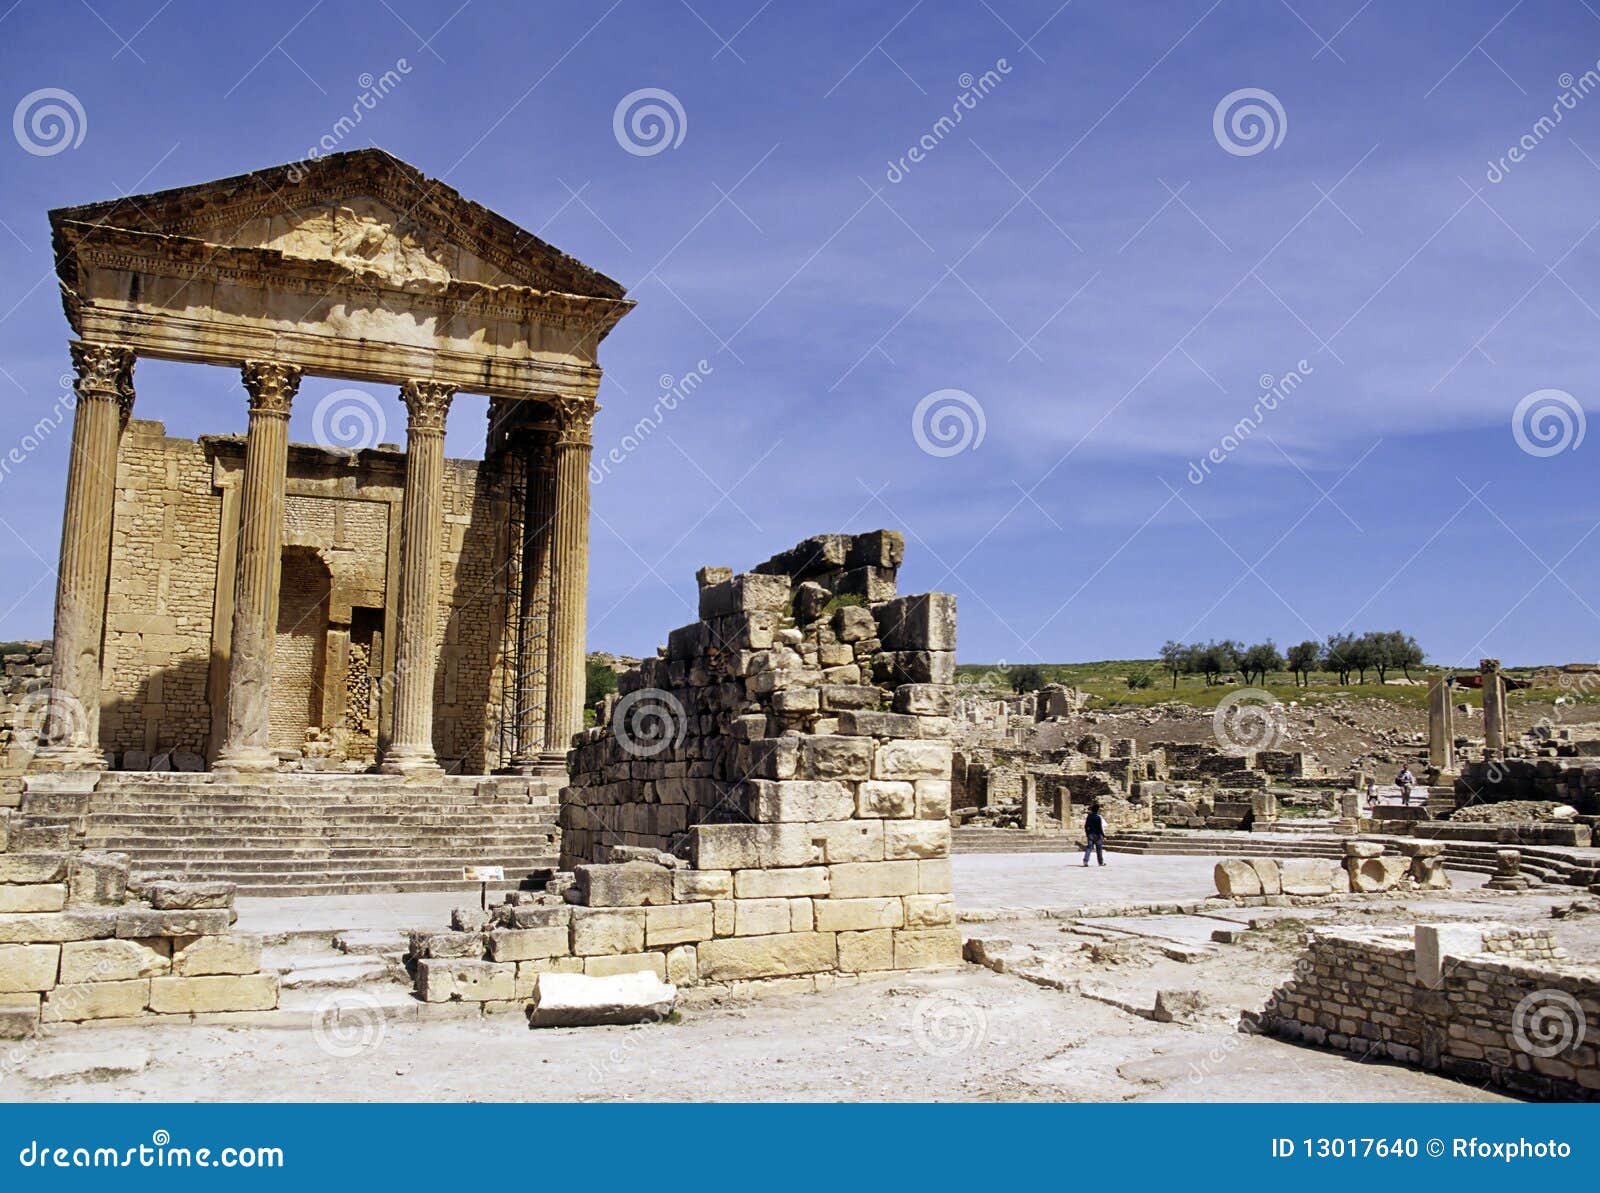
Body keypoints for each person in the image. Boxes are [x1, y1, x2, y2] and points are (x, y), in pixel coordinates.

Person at [1082, 802, 1106, 868]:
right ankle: (1100, 862)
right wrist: (1103, 836)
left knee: (1089, 848)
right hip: (1097, 835)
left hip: (1090, 834)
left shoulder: (1089, 817)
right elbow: (1100, 828)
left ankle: (1085, 861)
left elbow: (1086, 826)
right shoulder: (1098, 817)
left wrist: (1087, 833)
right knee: (1099, 849)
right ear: (1098, 810)